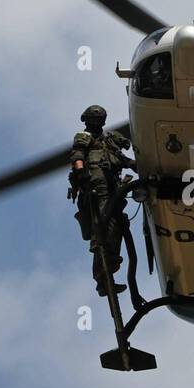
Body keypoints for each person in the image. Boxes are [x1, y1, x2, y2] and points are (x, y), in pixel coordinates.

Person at [69, 105, 135, 296]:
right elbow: (77, 155)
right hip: (97, 188)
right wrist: (81, 173)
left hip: (113, 187)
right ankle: (103, 278)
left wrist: (132, 164)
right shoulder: (84, 137)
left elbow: (120, 157)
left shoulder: (109, 139)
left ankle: (108, 274)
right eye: (95, 119)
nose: (98, 123)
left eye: (101, 120)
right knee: (103, 227)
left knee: (116, 227)